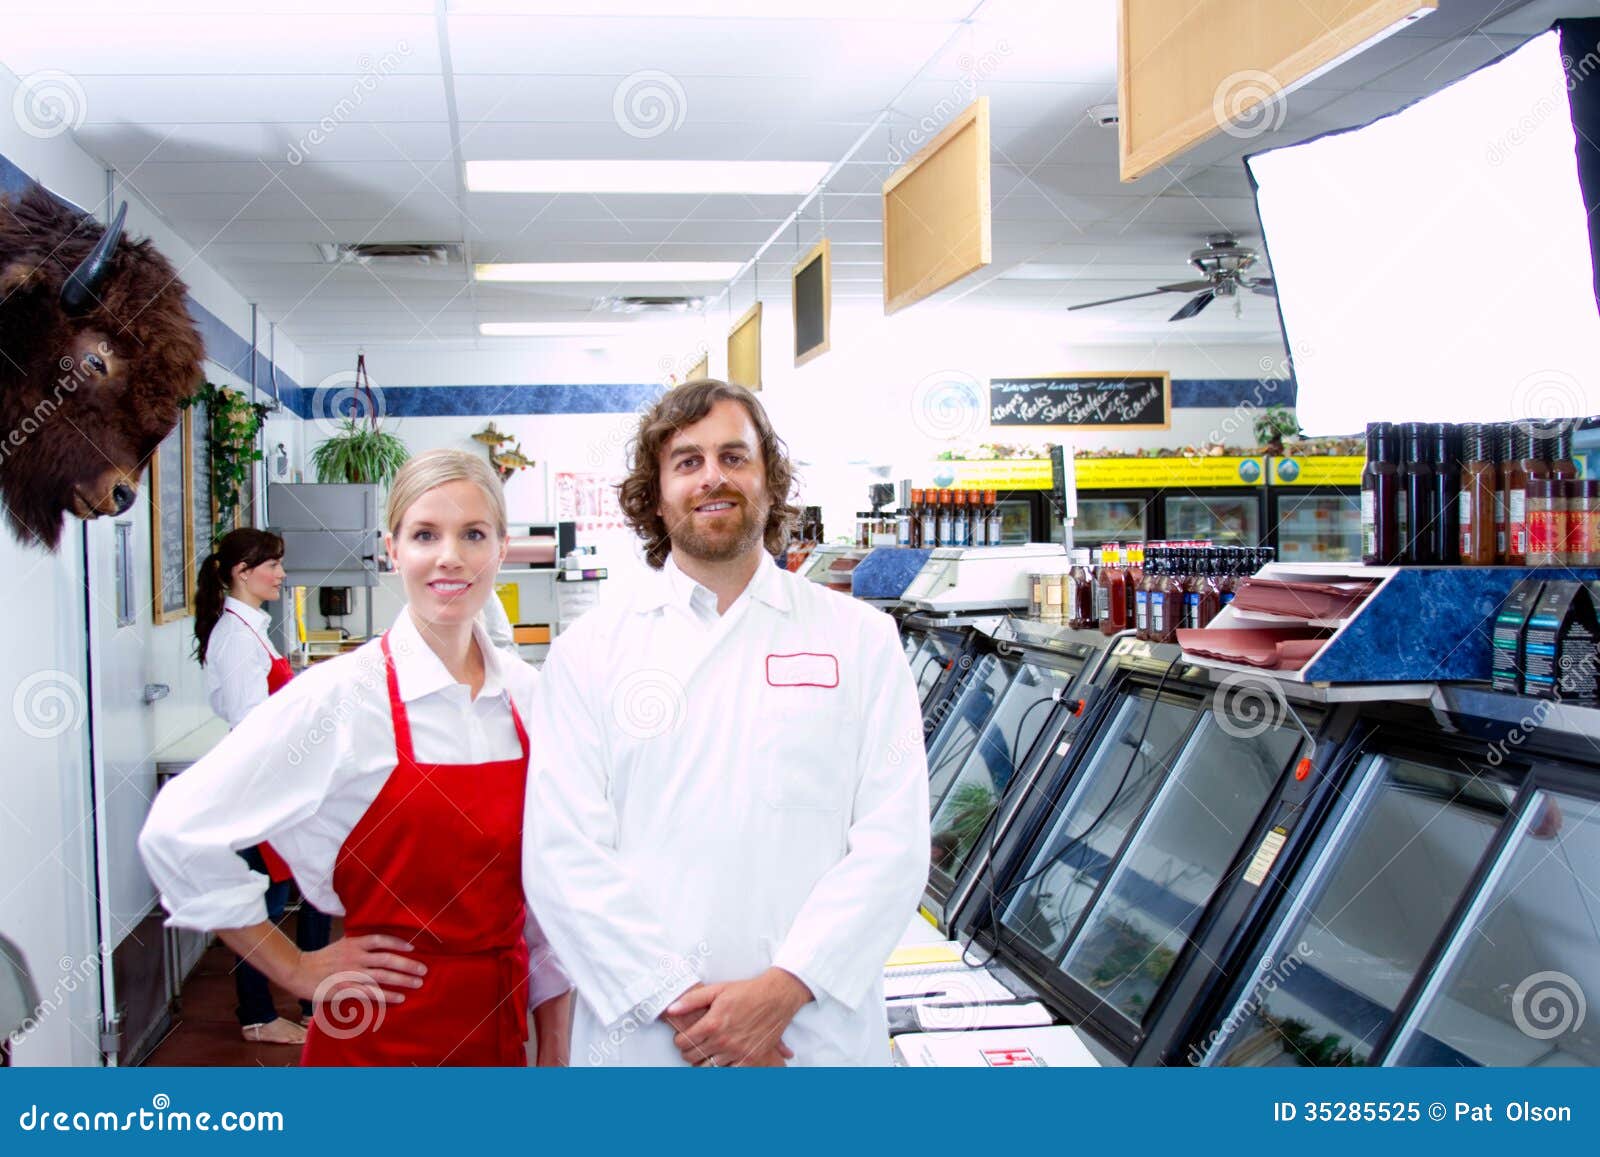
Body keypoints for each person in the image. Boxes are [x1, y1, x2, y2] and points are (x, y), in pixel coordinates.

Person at [523, 379, 930, 1067]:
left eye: (734, 456)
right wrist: (687, 1010)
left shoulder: (861, 639)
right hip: (650, 1043)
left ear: (770, 480)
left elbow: (894, 842)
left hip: (810, 1037)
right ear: (656, 495)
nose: (713, 476)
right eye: (688, 461)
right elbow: (562, 858)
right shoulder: (588, 653)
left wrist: (783, 992)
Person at [142, 451, 571, 1066]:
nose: (450, 556)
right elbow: (175, 831)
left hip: (500, 1033)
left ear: (502, 550)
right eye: (425, 534)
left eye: (474, 534)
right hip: (373, 1035)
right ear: (392, 550)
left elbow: (546, 902)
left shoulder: (532, 699)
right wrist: (292, 966)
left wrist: (554, 1046)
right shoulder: (339, 697)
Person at [191, 528, 331, 1045]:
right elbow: (251, 724)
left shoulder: (250, 629)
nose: (281, 574)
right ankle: (259, 1015)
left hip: (275, 784)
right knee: (267, 904)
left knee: (308, 891)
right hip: (261, 788)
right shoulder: (234, 637)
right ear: (242, 572)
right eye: (271, 565)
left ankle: (311, 1004)